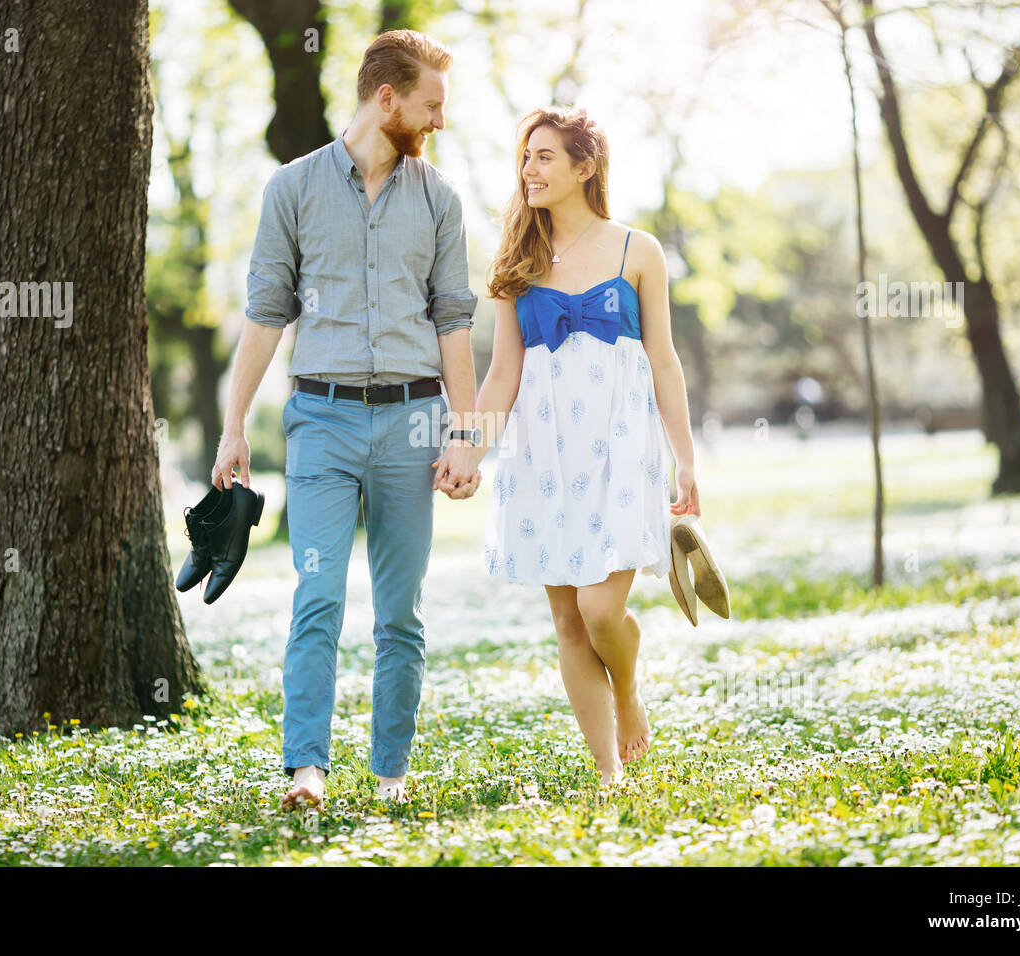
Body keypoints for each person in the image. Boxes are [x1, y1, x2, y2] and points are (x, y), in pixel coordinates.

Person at [211, 29, 482, 811]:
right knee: (318, 598)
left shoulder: (441, 201)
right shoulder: (292, 190)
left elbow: (453, 324)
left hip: (412, 422)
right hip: (320, 423)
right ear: (386, 98)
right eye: (431, 105)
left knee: (401, 612)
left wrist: (465, 435)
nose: (439, 121)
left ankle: (391, 775)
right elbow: (265, 316)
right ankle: (307, 770)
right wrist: (234, 428)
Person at [443, 106, 700, 789]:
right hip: (542, 454)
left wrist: (687, 458)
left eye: (545, 156)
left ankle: (627, 693)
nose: (529, 169)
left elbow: (665, 361)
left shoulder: (636, 251)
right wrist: (469, 447)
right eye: (526, 157)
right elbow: (503, 372)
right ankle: (610, 771)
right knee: (567, 622)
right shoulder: (515, 264)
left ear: (585, 168)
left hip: (620, 446)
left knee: (600, 610)